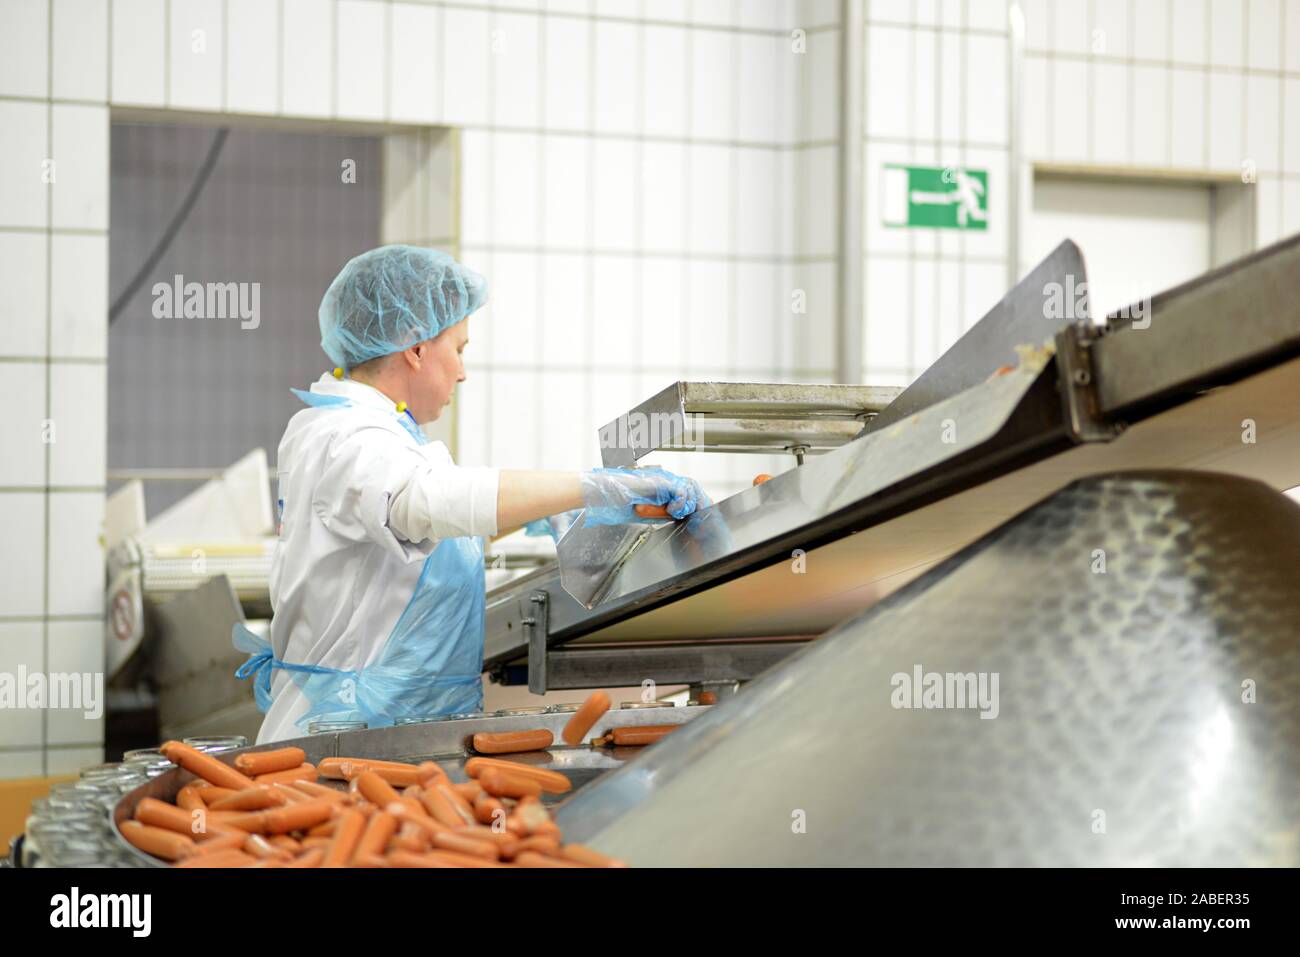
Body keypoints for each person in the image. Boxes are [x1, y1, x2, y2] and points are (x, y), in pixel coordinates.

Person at [235, 245, 707, 743]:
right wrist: (591, 487)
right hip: (340, 740)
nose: (462, 371)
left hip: (382, 734)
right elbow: (425, 502)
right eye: (458, 349)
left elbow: (417, 528)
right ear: (414, 348)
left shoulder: (373, 434)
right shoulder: (347, 440)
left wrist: (548, 511)